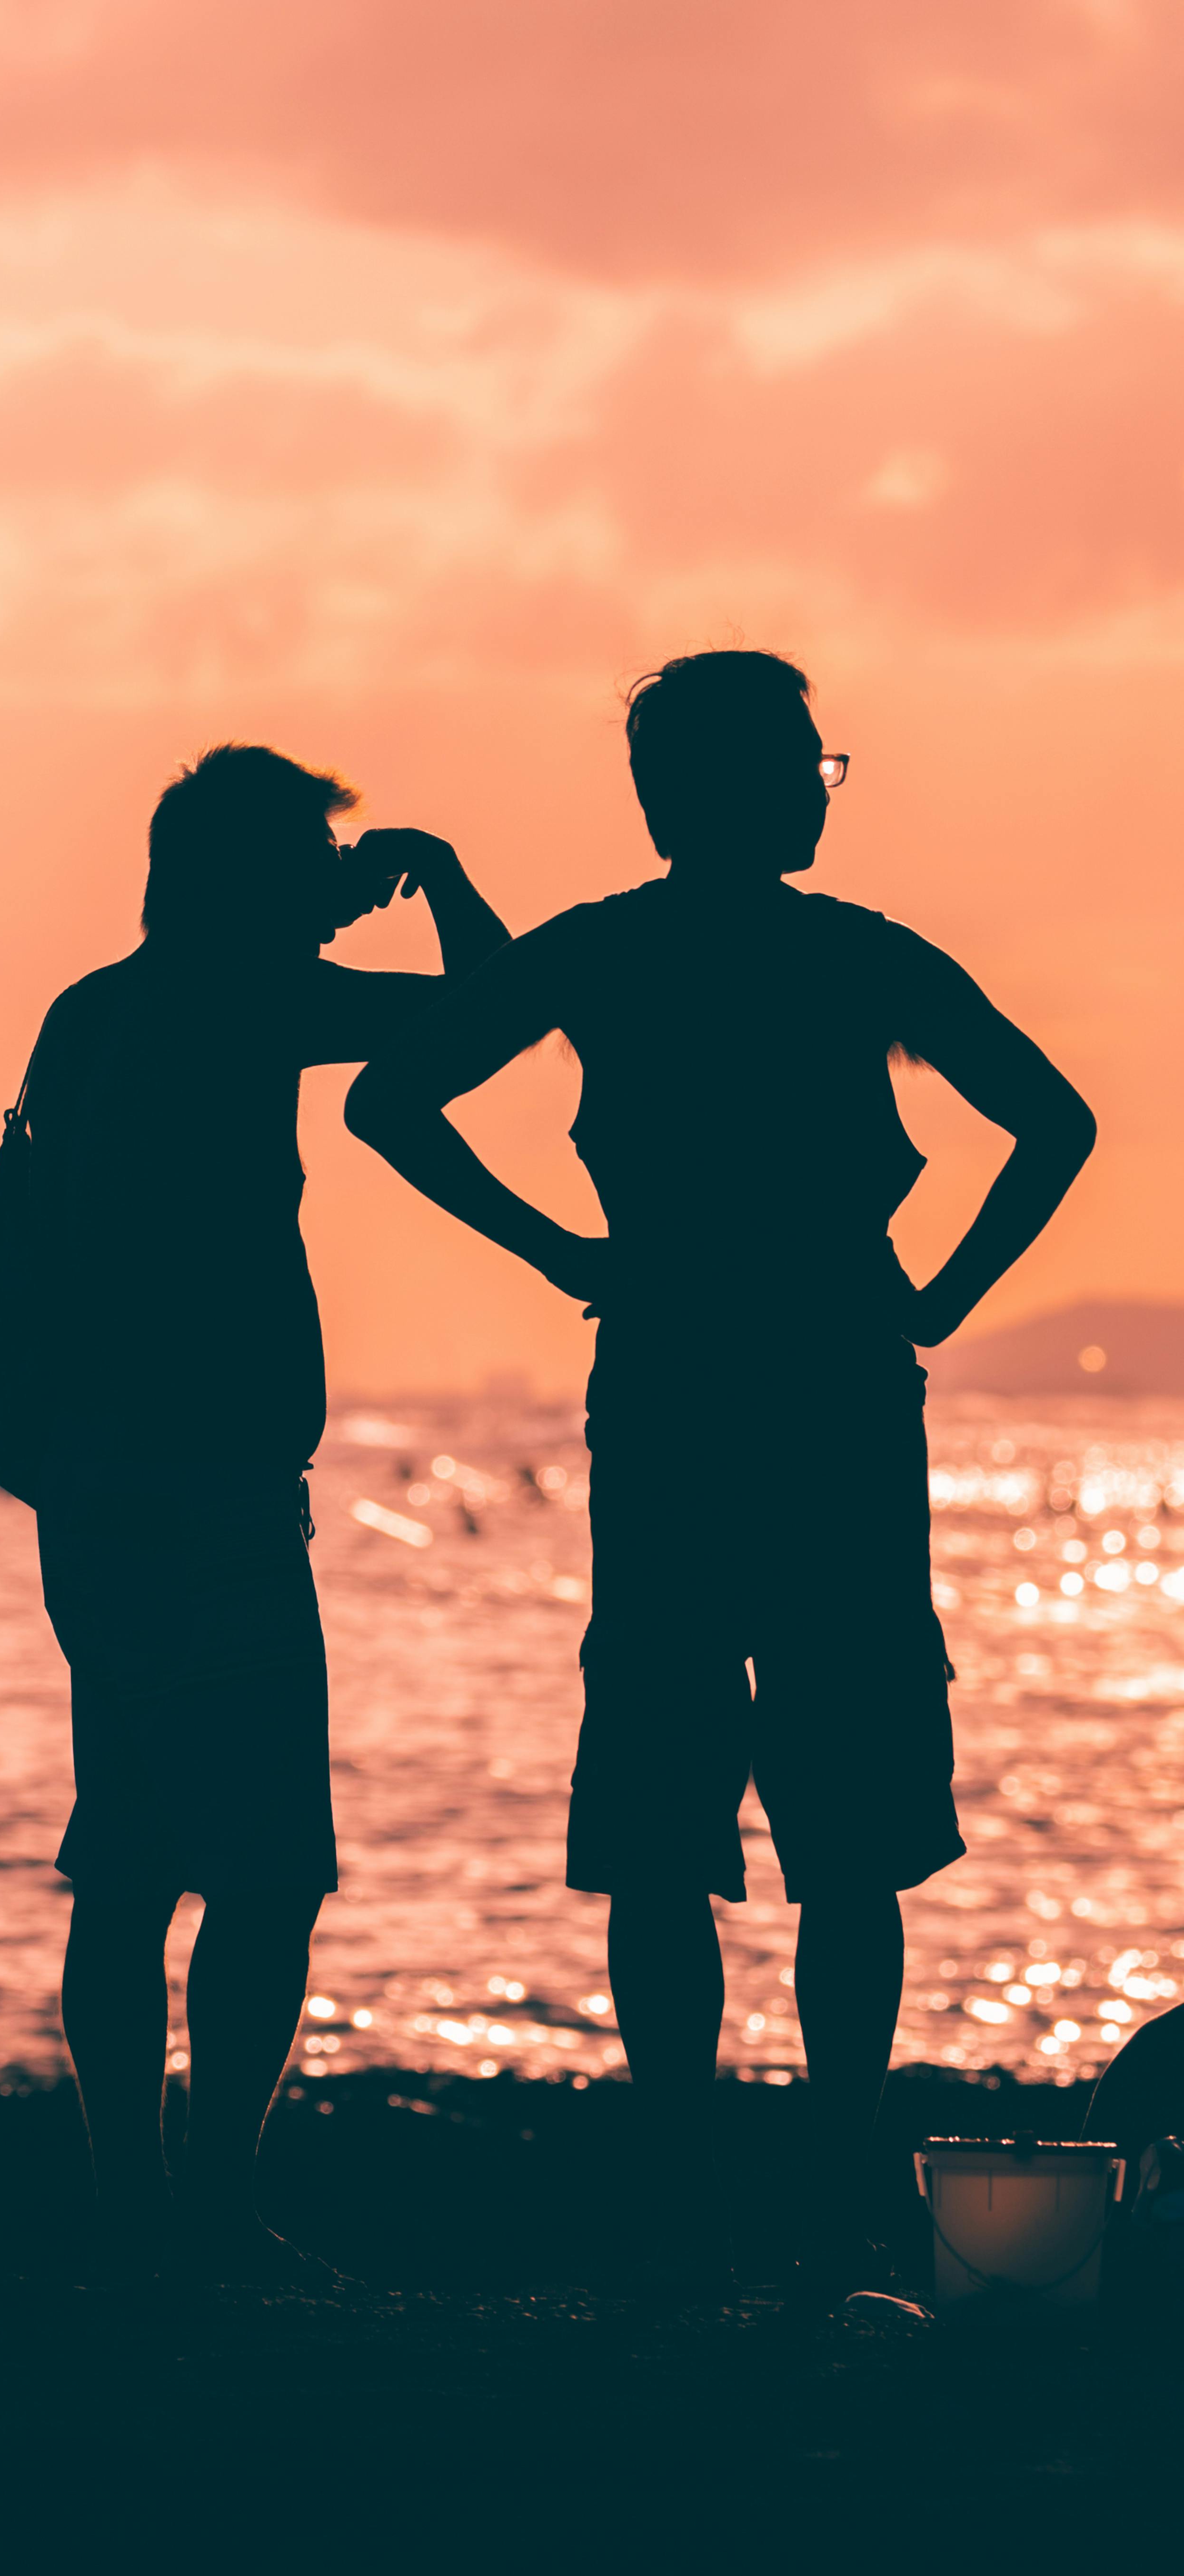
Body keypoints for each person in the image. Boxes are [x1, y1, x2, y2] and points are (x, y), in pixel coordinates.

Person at [344, 651, 1095, 2300]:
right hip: (834, 1401)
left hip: (674, 1393)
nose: (827, 793)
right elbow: (1055, 1123)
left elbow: (393, 1102)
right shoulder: (860, 961)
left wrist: (563, 1248)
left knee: (665, 1810)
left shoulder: (606, 953)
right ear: (749, 788)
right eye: (814, 770)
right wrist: (941, 1300)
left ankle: (687, 2186)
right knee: (853, 1826)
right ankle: (837, 2180)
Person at [0, 742, 509, 2279]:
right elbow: (486, 1019)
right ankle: (211, 2205)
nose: (331, 903)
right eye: (307, 873)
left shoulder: (94, 1011)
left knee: (133, 1857)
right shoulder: (238, 999)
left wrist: (25, 1448)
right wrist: (444, 884)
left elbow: (16, 1239)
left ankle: (133, 2204)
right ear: (250, 882)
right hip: (208, 1491)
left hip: (90, 1486)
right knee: (267, 1868)